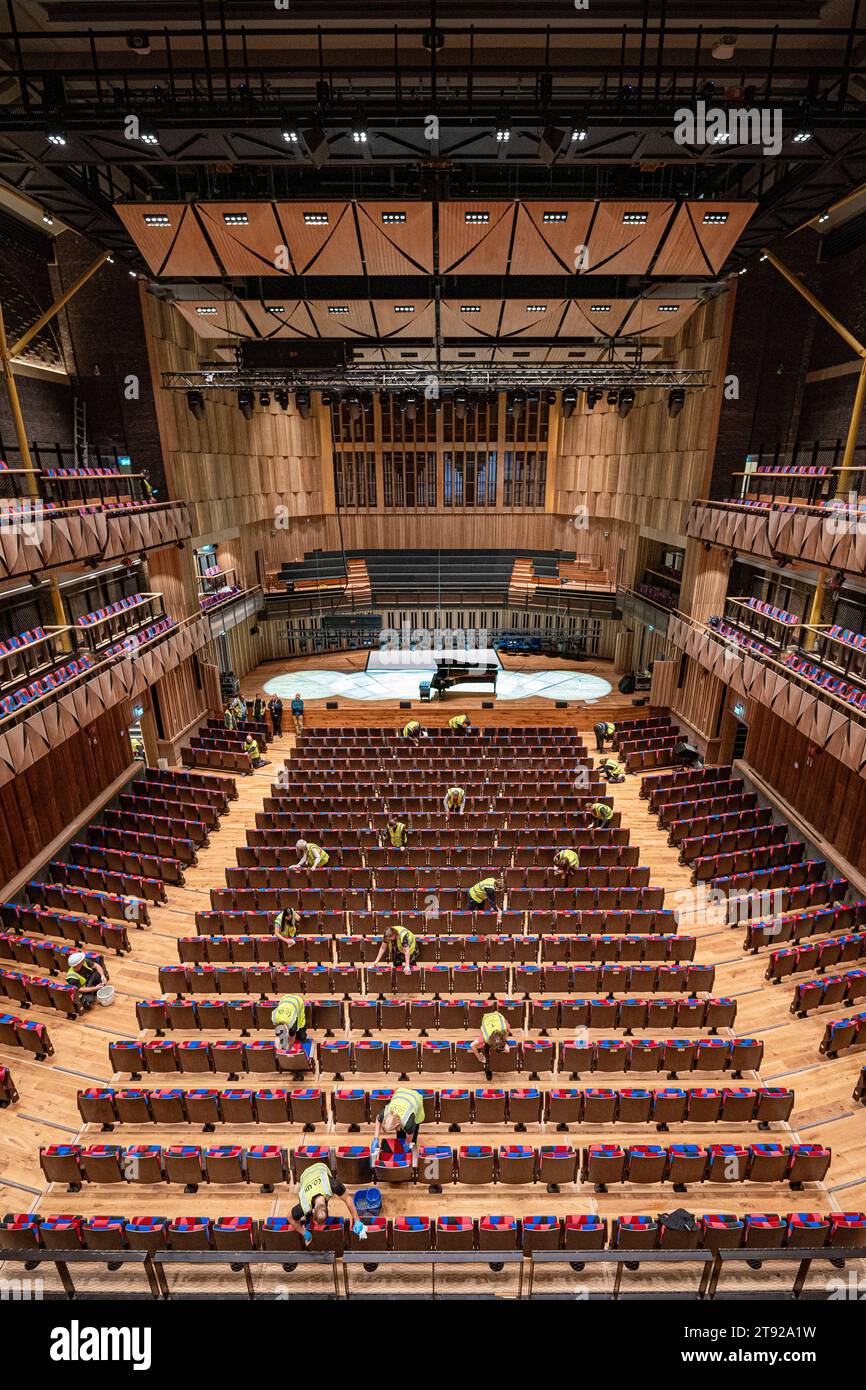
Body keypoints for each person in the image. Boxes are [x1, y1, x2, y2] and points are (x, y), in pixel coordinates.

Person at [286, 1161, 367, 1246]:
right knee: (305, 1215)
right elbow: (289, 1217)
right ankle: (308, 1219)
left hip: (321, 1167)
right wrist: (305, 1234)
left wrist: (357, 1220)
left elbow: (347, 1198)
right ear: (313, 1210)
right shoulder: (304, 1205)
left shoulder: (333, 1185)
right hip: (304, 1175)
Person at [373, 1087, 425, 1156]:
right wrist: (375, 1138)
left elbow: (410, 1136)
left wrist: (407, 1145)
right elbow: (378, 1119)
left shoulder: (408, 1123)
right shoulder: (385, 1114)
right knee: (400, 1136)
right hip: (400, 1092)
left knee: (411, 1139)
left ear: (397, 1124)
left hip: (414, 1097)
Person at [469, 1008, 512, 1080]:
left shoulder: (504, 1027)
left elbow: (508, 1028)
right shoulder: (485, 1037)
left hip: (497, 1016)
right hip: (486, 1019)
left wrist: (505, 1039)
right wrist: (479, 1057)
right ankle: (488, 1068)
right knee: (485, 1047)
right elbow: (472, 1045)